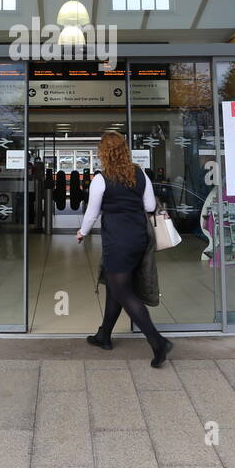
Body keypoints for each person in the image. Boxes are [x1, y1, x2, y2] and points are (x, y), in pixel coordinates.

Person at [76, 131, 173, 368]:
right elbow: (150, 205)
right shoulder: (139, 174)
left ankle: (157, 341)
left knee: (124, 293)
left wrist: (82, 232)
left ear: (104, 153)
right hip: (139, 238)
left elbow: (92, 211)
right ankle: (104, 336)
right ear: (124, 151)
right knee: (115, 286)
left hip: (117, 242)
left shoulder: (101, 179)